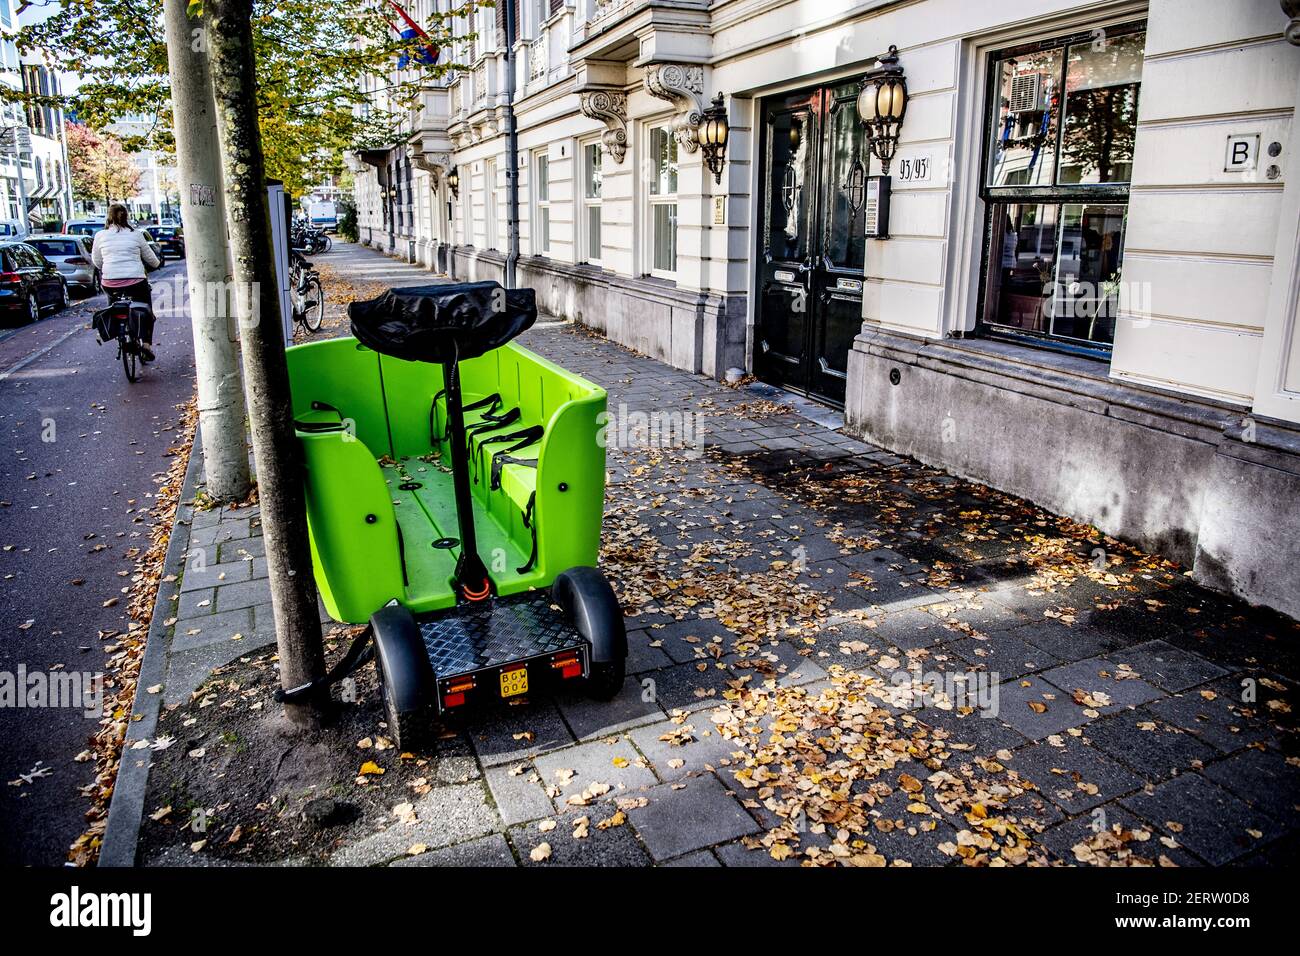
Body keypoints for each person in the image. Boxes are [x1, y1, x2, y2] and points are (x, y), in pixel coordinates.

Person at [91, 204, 161, 361]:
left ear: (108, 216)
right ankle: (146, 345)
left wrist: (109, 269)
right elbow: (151, 259)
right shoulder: (136, 234)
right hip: (136, 282)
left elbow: (97, 261)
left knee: (113, 307)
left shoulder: (100, 235)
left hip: (110, 283)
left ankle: (118, 332)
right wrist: (156, 264)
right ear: (126, 216)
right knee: (146, 311)